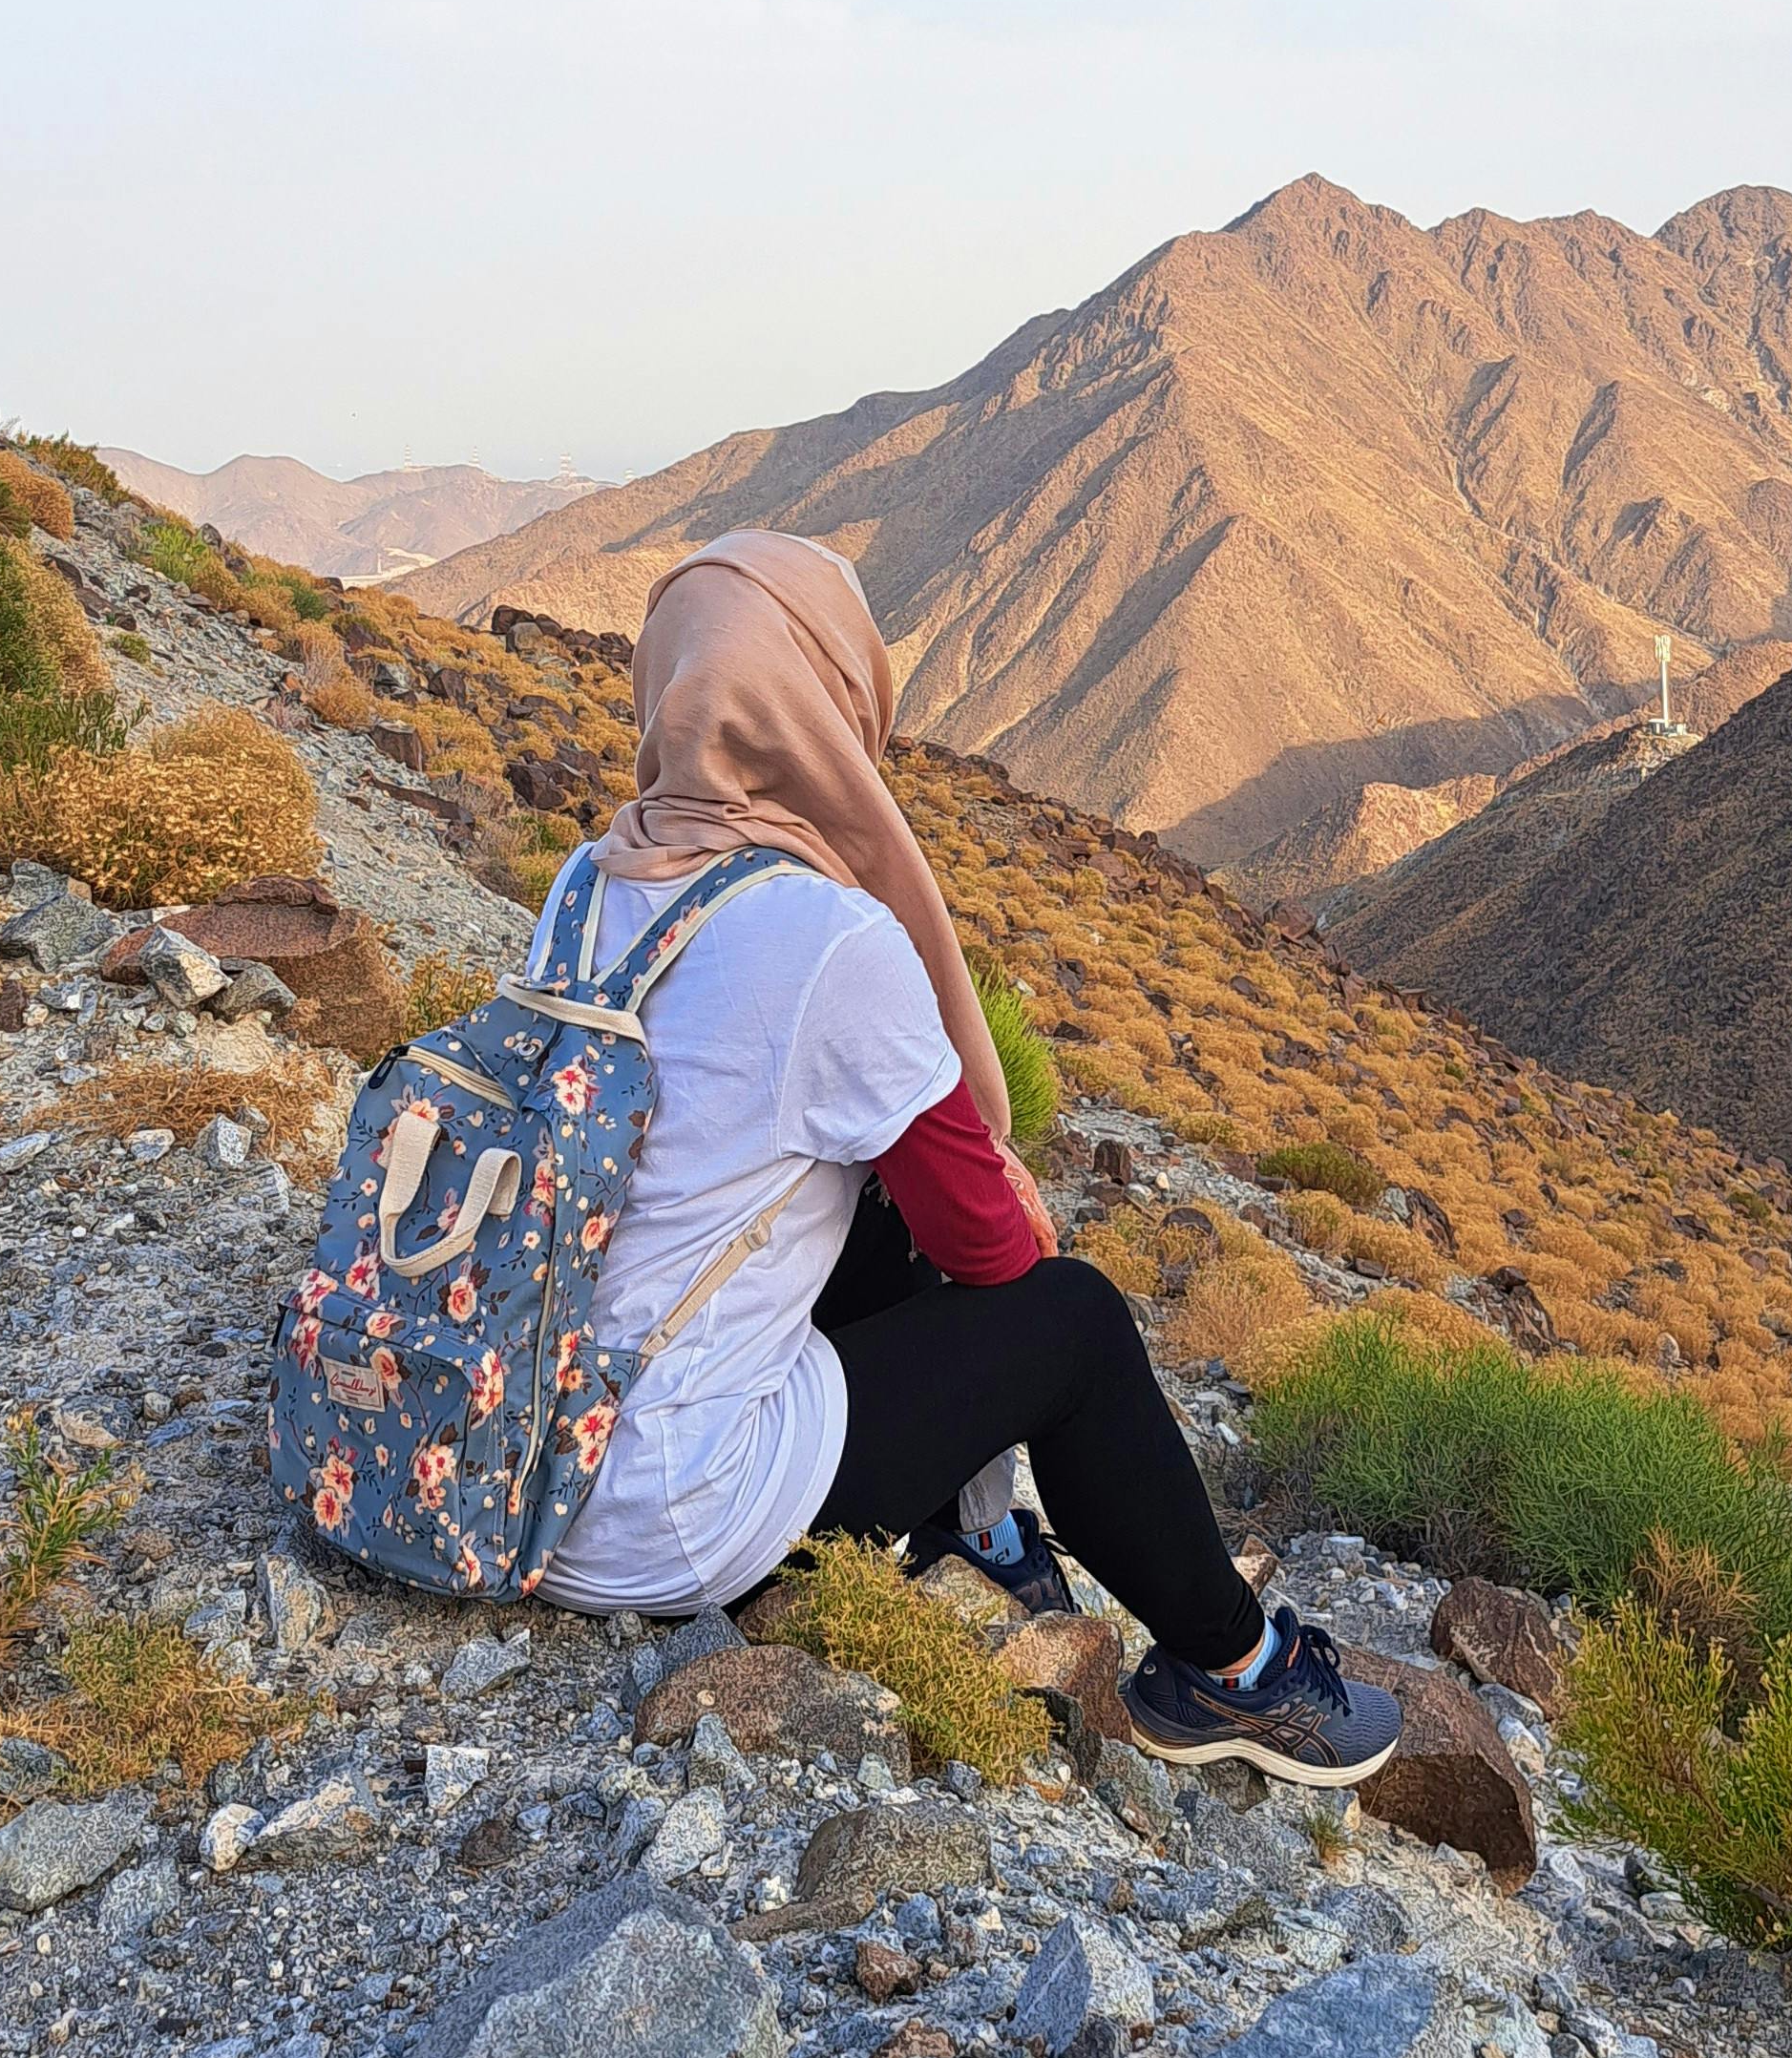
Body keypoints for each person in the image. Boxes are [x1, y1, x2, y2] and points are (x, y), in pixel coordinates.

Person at [527, 528, 1402, 1789]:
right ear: (831, 704)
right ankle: (1234, 1671)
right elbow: (986, 1243)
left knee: (860, 1203)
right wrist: (1011, 1203)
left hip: (525, 1450)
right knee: (1075, 1323)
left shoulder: (586, 883)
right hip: (664, 1510)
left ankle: (961, 1527)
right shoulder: (824, 934)